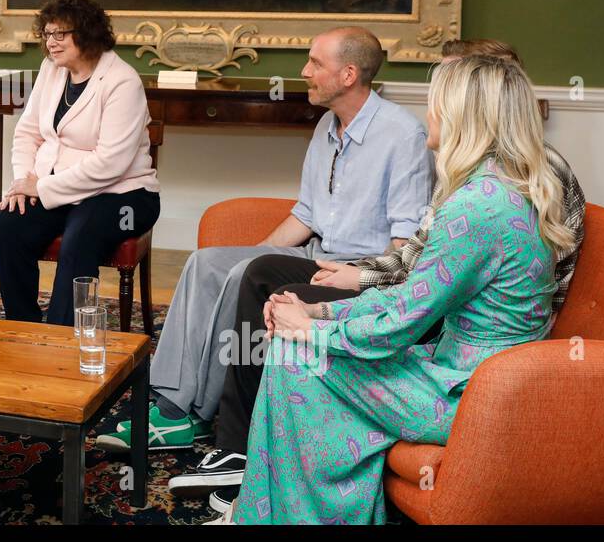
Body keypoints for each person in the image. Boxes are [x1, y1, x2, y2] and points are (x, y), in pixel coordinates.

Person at [180, 38, 586, 503]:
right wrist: (322, 316)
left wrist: (307, 331)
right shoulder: (495, 187)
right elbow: (409, 294)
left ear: (461, 116)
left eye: (436, 104)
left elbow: (400, 325)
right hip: (468, 373)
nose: (427, 114)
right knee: (292, 341)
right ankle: (288, 502)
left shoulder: (477, 206)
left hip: (474, 393)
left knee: (293, 355)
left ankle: (280, 506)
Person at [96, 26, 432, 453]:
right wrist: (253, 254)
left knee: (242, 275)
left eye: (315, 63)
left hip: (353, 266)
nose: (304, 70)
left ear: (348, 75)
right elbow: (306, 215)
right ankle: (168, 402)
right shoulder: (328, 125)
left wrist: (357, 277)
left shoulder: (403, 135)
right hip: (314, 250)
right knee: (206, 262)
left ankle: (193, 414)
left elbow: (405, 241)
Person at [0, 0, 160, 326]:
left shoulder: (122, 81)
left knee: (80, 238)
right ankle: (21, 329)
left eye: (60, 34)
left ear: (86, 33)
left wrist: (41, 186)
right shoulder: (51, 70)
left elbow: (111, 163)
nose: (50, 43)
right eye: (47, 34)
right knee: (8, 226)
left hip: (122, 196)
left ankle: (61, 341)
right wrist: (23, 183)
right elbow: (27, 133)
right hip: (56, 188)